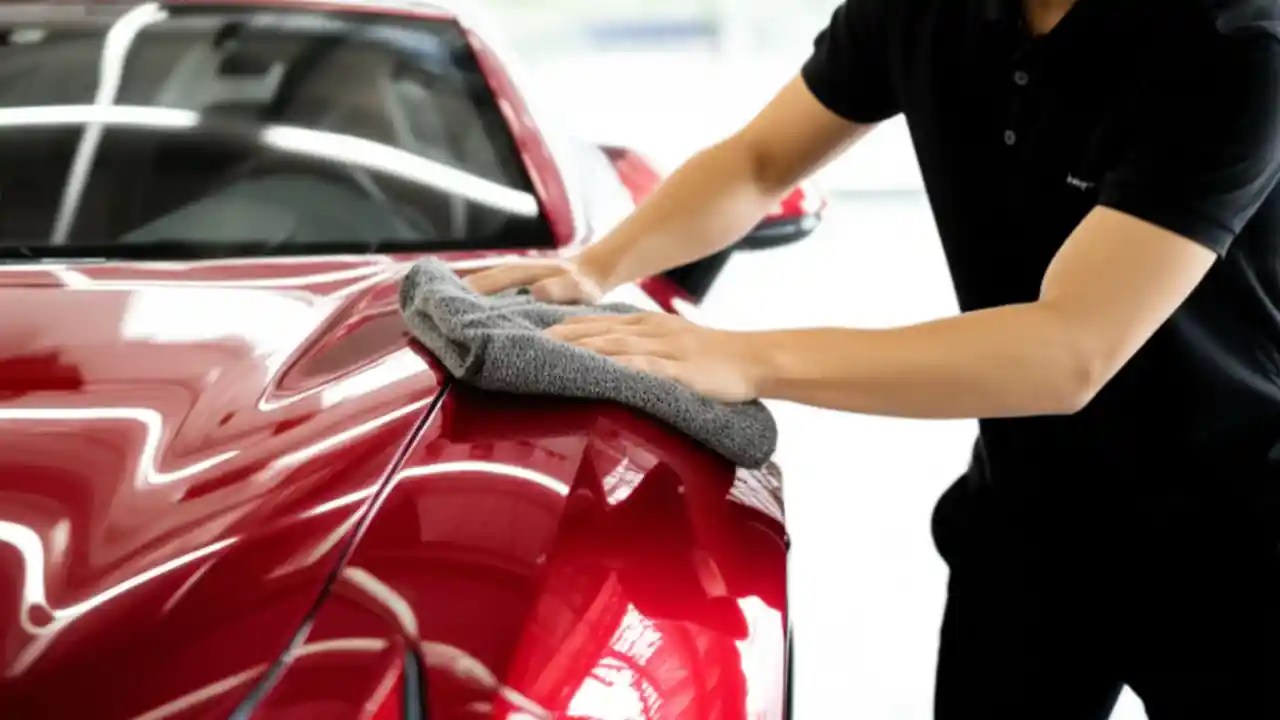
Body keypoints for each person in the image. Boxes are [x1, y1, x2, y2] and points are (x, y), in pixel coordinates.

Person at [467, 1, 1280, 717]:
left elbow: (1070, 349)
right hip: (1028, 513)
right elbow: (759, 162)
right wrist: (596, 268)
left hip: (1234, 542)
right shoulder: (922, 11)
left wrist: (747, 360)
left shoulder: (1233, 41)